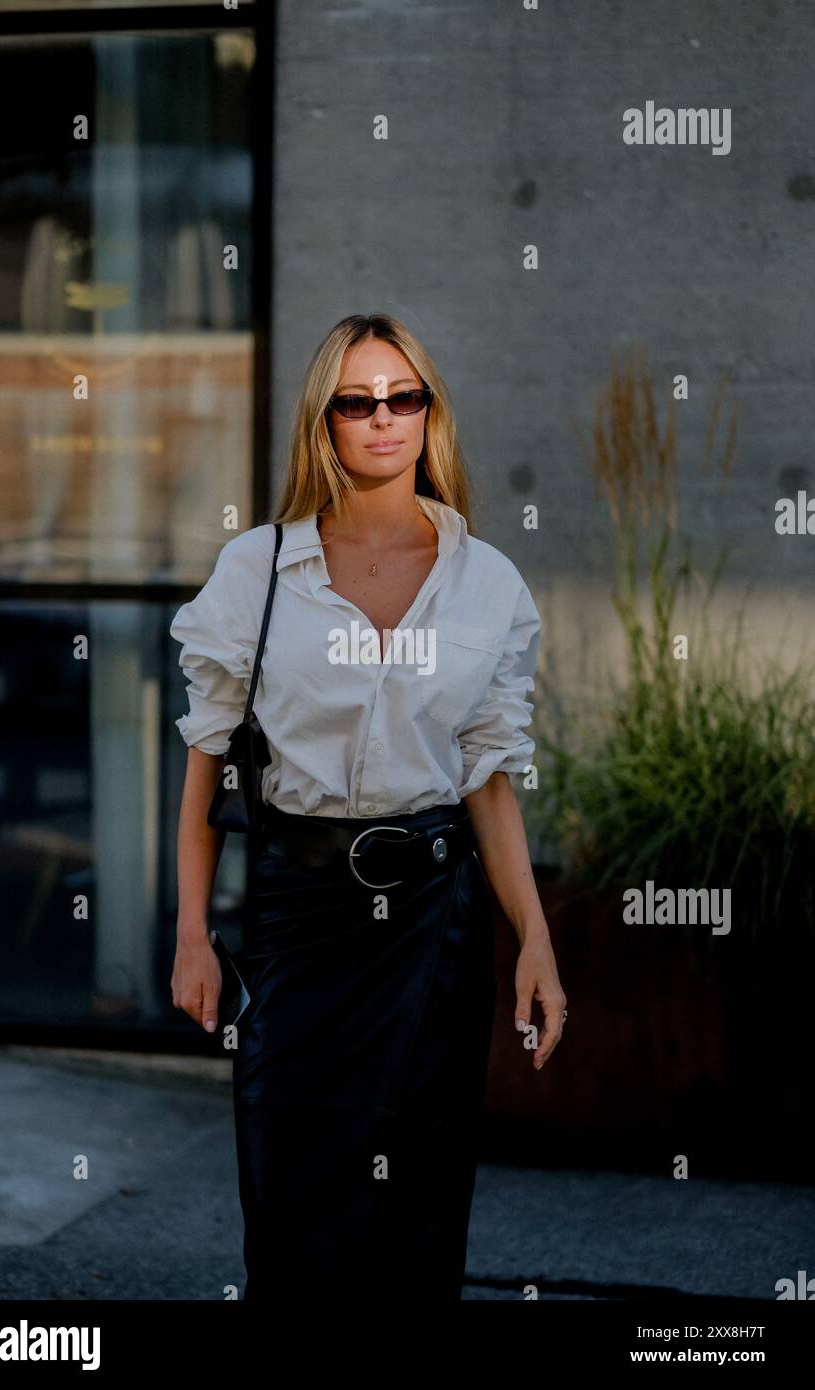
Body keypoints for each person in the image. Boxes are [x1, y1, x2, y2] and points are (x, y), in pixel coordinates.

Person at [169, 312, 567, 1301]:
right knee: (290, 1206)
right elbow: (206, 767)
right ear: (325, 421)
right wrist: (190, 934)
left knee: (414, 1222)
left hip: (433, 927)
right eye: (357, 401)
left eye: (403, 397)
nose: (383, 418)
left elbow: (488, 779)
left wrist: (534, 939)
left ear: (429, 413)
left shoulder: (488, 584)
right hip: (298, 922)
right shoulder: (257, 571)